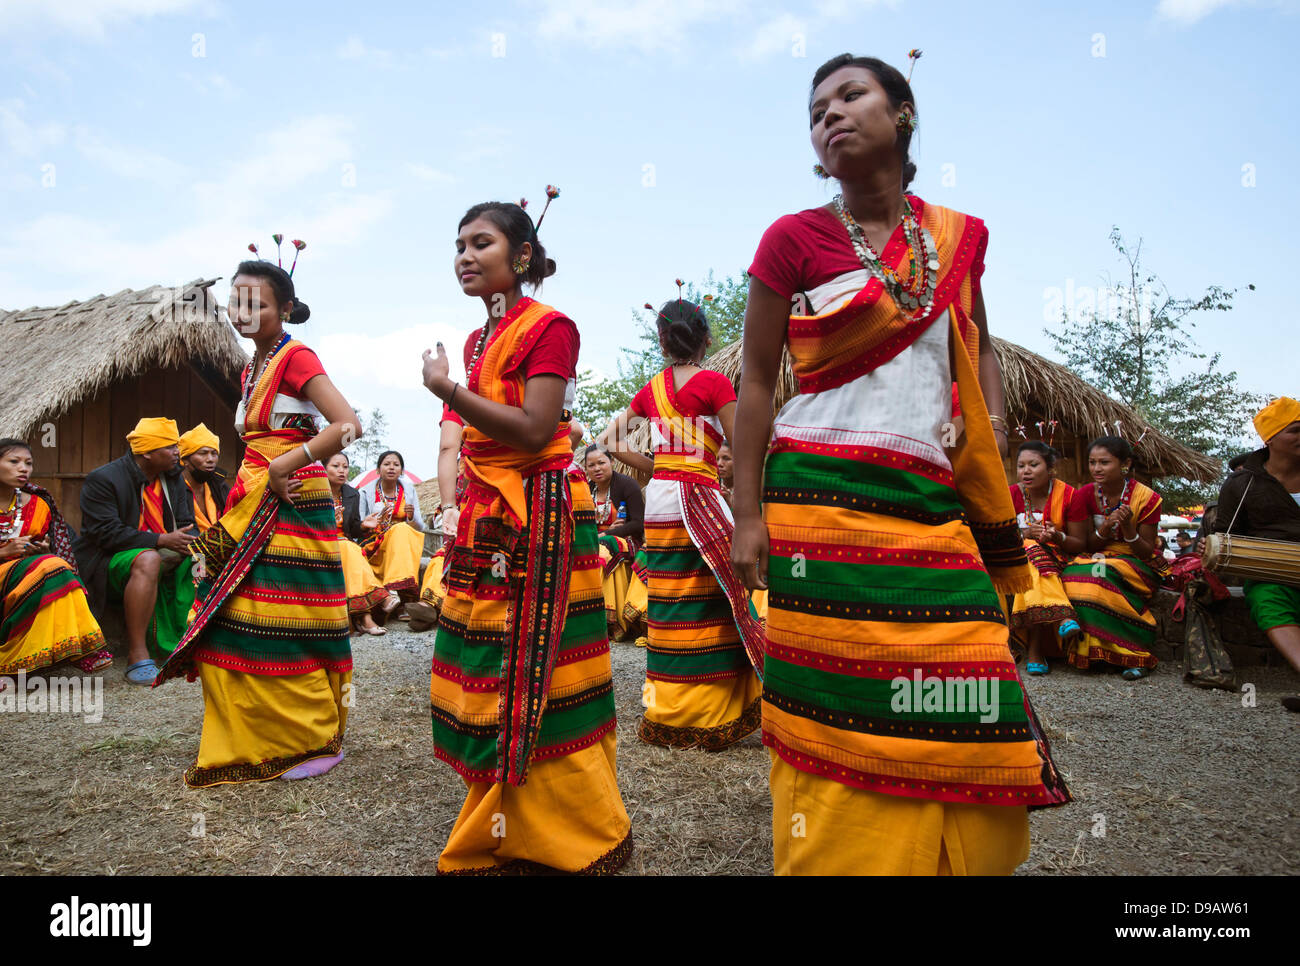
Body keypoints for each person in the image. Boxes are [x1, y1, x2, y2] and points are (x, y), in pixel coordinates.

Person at [729, 53, 1069, 875]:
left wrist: (977, 425)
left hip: (931, 498)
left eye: (851, 96)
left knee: (970, 679)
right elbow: (756, 380)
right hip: (816, 501)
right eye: (817, 110)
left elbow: (978, 349)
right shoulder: (791, 240)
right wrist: (747, 514)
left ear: (904, 113)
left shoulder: (956, 239)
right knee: (833, 692)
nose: (831, 115)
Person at [421, 197, 631, 874]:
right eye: (458, 244)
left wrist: (447, 391)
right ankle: (499, 819)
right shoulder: (480, 339)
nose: (464, 255)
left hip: (541, 509)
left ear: (521, 256)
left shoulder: (552, 327)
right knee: (486, 660)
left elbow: (538, 430)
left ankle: (574, 827)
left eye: (481, 242)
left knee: (541, 666)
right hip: (489, 511)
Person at [154, 253, 359, 786]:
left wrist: (287, 462)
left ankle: (313, 735)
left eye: (256, 302)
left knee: (292, 618)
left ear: (284, 308)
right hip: (253, 498)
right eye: (235, 301)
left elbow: (347, 425)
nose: (242, 311)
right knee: (233, 618)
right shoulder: (252, 367)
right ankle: (261, 735)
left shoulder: (297, 357)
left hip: (293, 500)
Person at [603, 297, 764, 751]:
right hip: (700, 495)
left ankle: (670, 711)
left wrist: (657, 467)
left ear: (662, 340)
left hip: (662, 502)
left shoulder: (650, 390)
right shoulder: (714, 382)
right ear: (706, 338)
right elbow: (743, 442)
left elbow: (610, 439)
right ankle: (715, 709)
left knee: (671, 596)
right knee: (715, 595)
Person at [72, 417, 197, 683]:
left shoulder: (172, 479)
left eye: (177, 446)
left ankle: (189, 640)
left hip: (162, 550)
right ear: (147, 453)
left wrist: (192, 542)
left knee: (204, 558)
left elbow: (187, 525)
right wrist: (160, 540)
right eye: (170, 447)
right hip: (109, 560)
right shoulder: (103, 479)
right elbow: (104, 533)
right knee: (149, 559)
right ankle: (138, 654)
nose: (178, 452)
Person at [1206, 396, 1300, 710]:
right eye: (1295, 430)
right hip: (1272, 573)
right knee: (1269, 600)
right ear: (1271, 439)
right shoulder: (1241, 484)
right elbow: (1225, 534)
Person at [1, 438, 110, 678]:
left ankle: (41, 656)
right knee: (56, 567)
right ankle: (83, 649)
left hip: (28, 574)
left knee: (55, 566)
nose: (24, 469)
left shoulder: (39, 504)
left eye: (28, 463)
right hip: (9, 575)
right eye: (14, 461)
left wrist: (41, 550)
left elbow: (49, 549)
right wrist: (4, 552)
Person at [1060, 436, 1167, 679]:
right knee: (1070, 574)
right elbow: (1086, 543)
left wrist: (1128, 529)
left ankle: (1134, 653)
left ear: (1125, 464)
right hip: (1097, 556)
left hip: (1137, 562)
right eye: (1092, 462)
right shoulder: (1086, 494)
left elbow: (1146, 550)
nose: (1096, 469)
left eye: (1104, 462)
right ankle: (1096, 653)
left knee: (1099, 576)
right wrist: (1106, 527)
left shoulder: (1147, 498)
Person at [1008, 440, 1085, 675]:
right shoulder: (1011, 494)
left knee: (1031, 556)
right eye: (1021, 466)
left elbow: (1080, 543)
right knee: (1030, 548)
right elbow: (998, 533)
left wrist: (1057, 536)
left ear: (1050, 469)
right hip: (1019, 559)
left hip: (1060, 559)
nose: (1026, 471)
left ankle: (1035, 650)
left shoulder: (1071, 495)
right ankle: (1062, 617)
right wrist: (1023, 533)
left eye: (1033, 464)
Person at [358, 450, 430, 621]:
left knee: (402, 530)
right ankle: (405, 601)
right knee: (399, 531)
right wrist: (371, 523)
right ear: (378, 469)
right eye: (387, 464)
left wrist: (411, 517)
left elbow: (420, 526)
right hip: (376, 544)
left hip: (403, 543)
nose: (391, 467)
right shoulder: (365, 492)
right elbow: (359, 524)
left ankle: (394, 593)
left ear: (401, 470)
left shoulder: (409, 491)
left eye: (396, 465)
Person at [584, 444, 646, 641]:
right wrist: (600, 534)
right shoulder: (586, 489)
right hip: (597, 539)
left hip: (627, 540)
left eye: (601, 462)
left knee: (602, 551)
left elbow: (638, 524)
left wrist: (611, 532)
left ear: (612, 462)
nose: (597, 468)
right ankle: (585, 616)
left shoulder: (627, 485)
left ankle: (610, 621)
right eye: (591, 465)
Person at [324, 452, 387, 636]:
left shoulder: (351, 493)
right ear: (324, 468)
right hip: (322, 542)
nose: (341, 471)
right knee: (349, 548)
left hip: (345, 543)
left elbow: (353, 528)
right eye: (336, 466)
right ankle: (373, 608)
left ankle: (365, 618)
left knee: (350, 548)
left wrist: (364, 525)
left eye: (345, 467)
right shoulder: (314, 491)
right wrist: (328, 522)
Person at [178, 423, 229, 532]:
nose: (210, 459)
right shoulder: (175, 488)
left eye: (214, 453)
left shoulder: (219, 484)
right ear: (185, 459)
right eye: (203, 453)